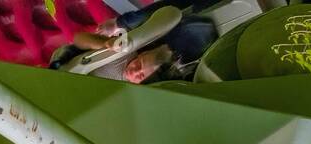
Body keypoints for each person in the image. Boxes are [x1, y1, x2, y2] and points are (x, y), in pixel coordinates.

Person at [50, 0, 218, 83]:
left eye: (140, 73)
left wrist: (104, 42)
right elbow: (78, 40)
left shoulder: (127, 66)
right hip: (68, 68)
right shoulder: (126, 55)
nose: (135, 70)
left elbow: (78, 39)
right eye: (140, 67)